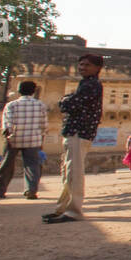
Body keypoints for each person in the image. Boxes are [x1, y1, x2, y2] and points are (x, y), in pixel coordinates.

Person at [45, 53, 104, 224]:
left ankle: (73, 211)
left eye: (87, 65)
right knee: (68, 172)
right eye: (81, 65)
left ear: (97, 68)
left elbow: (69, 104)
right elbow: (69, 103)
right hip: (74, 132)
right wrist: (67, 100)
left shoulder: (92, 85)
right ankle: (63, 208)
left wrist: (65, 100)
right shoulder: (85, 84)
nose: (82, 68)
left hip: (80, 132)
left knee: (74, 173)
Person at [0, 80, 48, 199]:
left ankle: (0, 191)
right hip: (33, 139)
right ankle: (31, 190)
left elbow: (7, 123)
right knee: (32, 165)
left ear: (19, 91)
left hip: (14, 139)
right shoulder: (40, 105)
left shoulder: (11, 105)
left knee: (7, 165)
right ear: (34, 91)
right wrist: (41, 139)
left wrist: (7, 137)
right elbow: (43, 125)